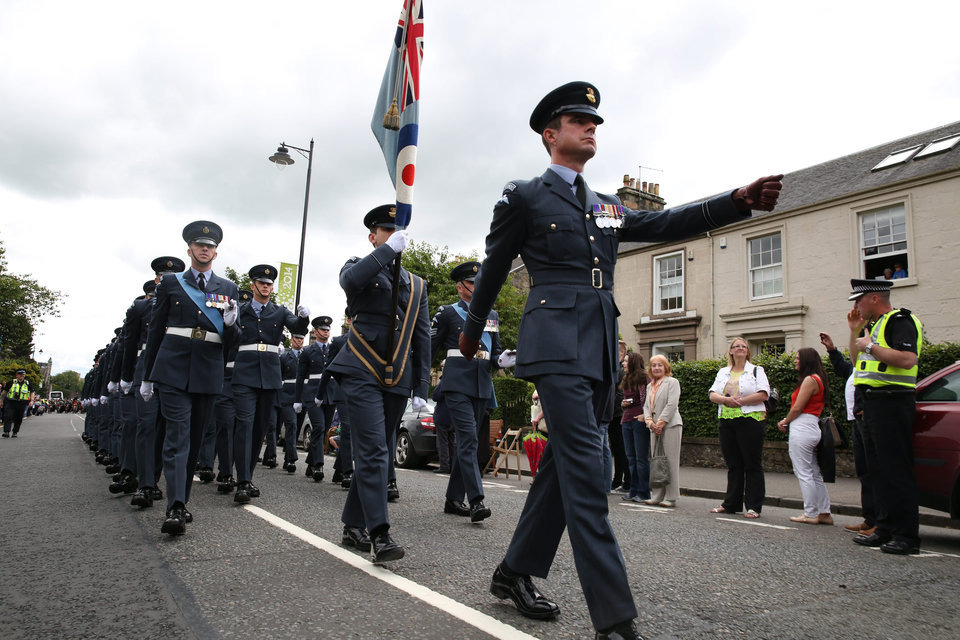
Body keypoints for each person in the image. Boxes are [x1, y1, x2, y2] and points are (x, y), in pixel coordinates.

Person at [457, 80, 783, 640]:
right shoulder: (524, 195)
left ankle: (513, 572)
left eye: (594, 123)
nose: (591, 128)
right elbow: (493, 266)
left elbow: (663, 223)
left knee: (566, 464)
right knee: (590, 470)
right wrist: (471, 334)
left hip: (600, 347)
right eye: (578, 121)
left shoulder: (606, 205)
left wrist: (736, 201)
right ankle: (615, 617)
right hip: (554, 340)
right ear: (549, 134)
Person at [326, 204, 430, 563]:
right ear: (373, 237)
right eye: (384, 232)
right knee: (373, 450)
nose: (390, 235)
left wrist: (421, 387)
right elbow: (349, 283)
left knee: (378, 446)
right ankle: (380, 534)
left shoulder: (417, 284)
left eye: (395, 231)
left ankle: (352, 524)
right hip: (360, 368)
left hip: (398, 374)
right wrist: (387, 252)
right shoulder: (359, 267)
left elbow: (422, 336)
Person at [140, 221, 240, 536]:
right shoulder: (171, 283)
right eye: (199, 245)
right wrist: (147, 377)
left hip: (208, 370)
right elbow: (156, 330)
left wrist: (233, 325)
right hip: (172, 367)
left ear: (216, 252)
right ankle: (176, 506)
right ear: (190, 249)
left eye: (209, 246)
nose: (204, 249)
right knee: (177, 437)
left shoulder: (228, 288)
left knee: (195, 440)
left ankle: (181, 501)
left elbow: (232, 341)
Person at [847, 278, 922, 555]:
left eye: (859, 300)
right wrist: (855, 333)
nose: (856, 306)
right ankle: (885, 528)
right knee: (878, 471)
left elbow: (907, 359)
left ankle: (906, 536)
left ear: (874, 299)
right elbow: (857, 362)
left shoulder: (900, 320)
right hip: (872, 403)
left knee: (896, 470)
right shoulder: (873, 326)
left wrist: (870, 346)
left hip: (893, 401)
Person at [231, 265, 309, 504]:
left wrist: (304, 317)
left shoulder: (278, 311)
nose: (265, 287)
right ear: (253, 285)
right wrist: (229, 321)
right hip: (244, 372)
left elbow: (296, 327)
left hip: (269, 375)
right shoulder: (241, 309)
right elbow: (231, 336)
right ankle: (242, 480)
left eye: (269, 284)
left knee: (259, 429)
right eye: (261, 283)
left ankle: (248, 476)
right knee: (244, 424)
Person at [431, 260, 501, 522]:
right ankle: (476, 500)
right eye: (472, 283)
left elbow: (494, 352)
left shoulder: (492, 315)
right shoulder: (448, 313)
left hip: (482, 384)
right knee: (469, 440)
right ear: (461, 288)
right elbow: (429, 348)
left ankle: (452, 499)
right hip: (457, 383)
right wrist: (415, 385)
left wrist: (504, 359)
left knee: (468, 442)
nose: (477, 286)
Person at [707, 337, 770, 518]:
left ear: (748, 351)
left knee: (752, 464)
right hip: (727, 420)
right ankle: (731, 504)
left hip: (751, 419)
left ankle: (754, 506)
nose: (740, 348)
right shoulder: (723, 372)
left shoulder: (757, 371)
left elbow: (763, 394)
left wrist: (740, 402)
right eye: (737, 346)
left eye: (744, 346)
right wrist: (725, 400)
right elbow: (712, 394)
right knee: (733, 464)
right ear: (731, 351)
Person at [820, 332, 876, 536]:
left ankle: (879, 521)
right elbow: (843, 369)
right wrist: (832, 349)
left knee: (873, 471)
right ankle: (870, 519)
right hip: (856, 421)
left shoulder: (872, 364)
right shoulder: (857, 366)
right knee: (864, 472)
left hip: (867, 419)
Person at [777, 348, 832, 525]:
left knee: (804, 472)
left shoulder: (810, 380)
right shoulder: (819, 378)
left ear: (807, 361)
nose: (795, 361)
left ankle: (810, 512)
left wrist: (785, 421)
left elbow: (797, 408)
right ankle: (824, 513)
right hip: (812, 425)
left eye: (798, 358)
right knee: (814, 473)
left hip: (802, 426)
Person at [296, 315, 335, 482]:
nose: (326, 333)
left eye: (327, 330)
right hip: (312, 394)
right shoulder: (307, 351)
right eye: (322, 330)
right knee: (318, 427)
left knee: (324, 429)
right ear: (315, 331)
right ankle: (318, 465)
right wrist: (298, 399)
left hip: (330, 394)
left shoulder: (334, 348)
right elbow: (300, 376)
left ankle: (311, 462)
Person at [643, 355, 682, 508]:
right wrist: (649, 422)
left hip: (671, 425)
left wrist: (660, 423)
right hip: (654, 427)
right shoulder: (649, 385)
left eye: (660, 365)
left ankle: (671, 497)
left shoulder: (672, 382)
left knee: (670, 461)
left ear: (666, 367)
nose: (657, 368)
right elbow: (646, 406)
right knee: (656, 461)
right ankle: (657, 495)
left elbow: (672, 404)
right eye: (654, 365)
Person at [619, 352, 648, 503]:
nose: (623, 363)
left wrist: (645, 415)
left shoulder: (644, 378)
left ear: (633, 362)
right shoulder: (626, 378)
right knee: (631, 458)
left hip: (639, 420)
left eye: (625, 361)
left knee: (640, 458)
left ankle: (643, 492)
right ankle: (633, 489)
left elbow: (647, 399)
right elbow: (625, 399)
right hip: (627, 419)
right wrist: (624, 403)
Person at [279, 331, 305, 473]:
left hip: (301, 396)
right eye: (297, 338)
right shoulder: (284, 357)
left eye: (302, 339)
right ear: (292, 339)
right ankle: (291, 460)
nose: (300, 341)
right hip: (287, 396)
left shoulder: (306, 356)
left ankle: (287, 458)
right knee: (292, 425)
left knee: (295, 429)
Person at [1, 369, 34, 438]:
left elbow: (31, 392)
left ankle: (15, 432)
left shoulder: (27, 383)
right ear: (17, 375)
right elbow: (4, 392)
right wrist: (1, 400)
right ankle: (6, 432)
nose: (22, 376)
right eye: (20, 375)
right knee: (8, 416)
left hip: (22, 403)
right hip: (11, 402)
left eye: (23, 375)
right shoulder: (11, 382)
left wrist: (31, 401)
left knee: (18, 418)